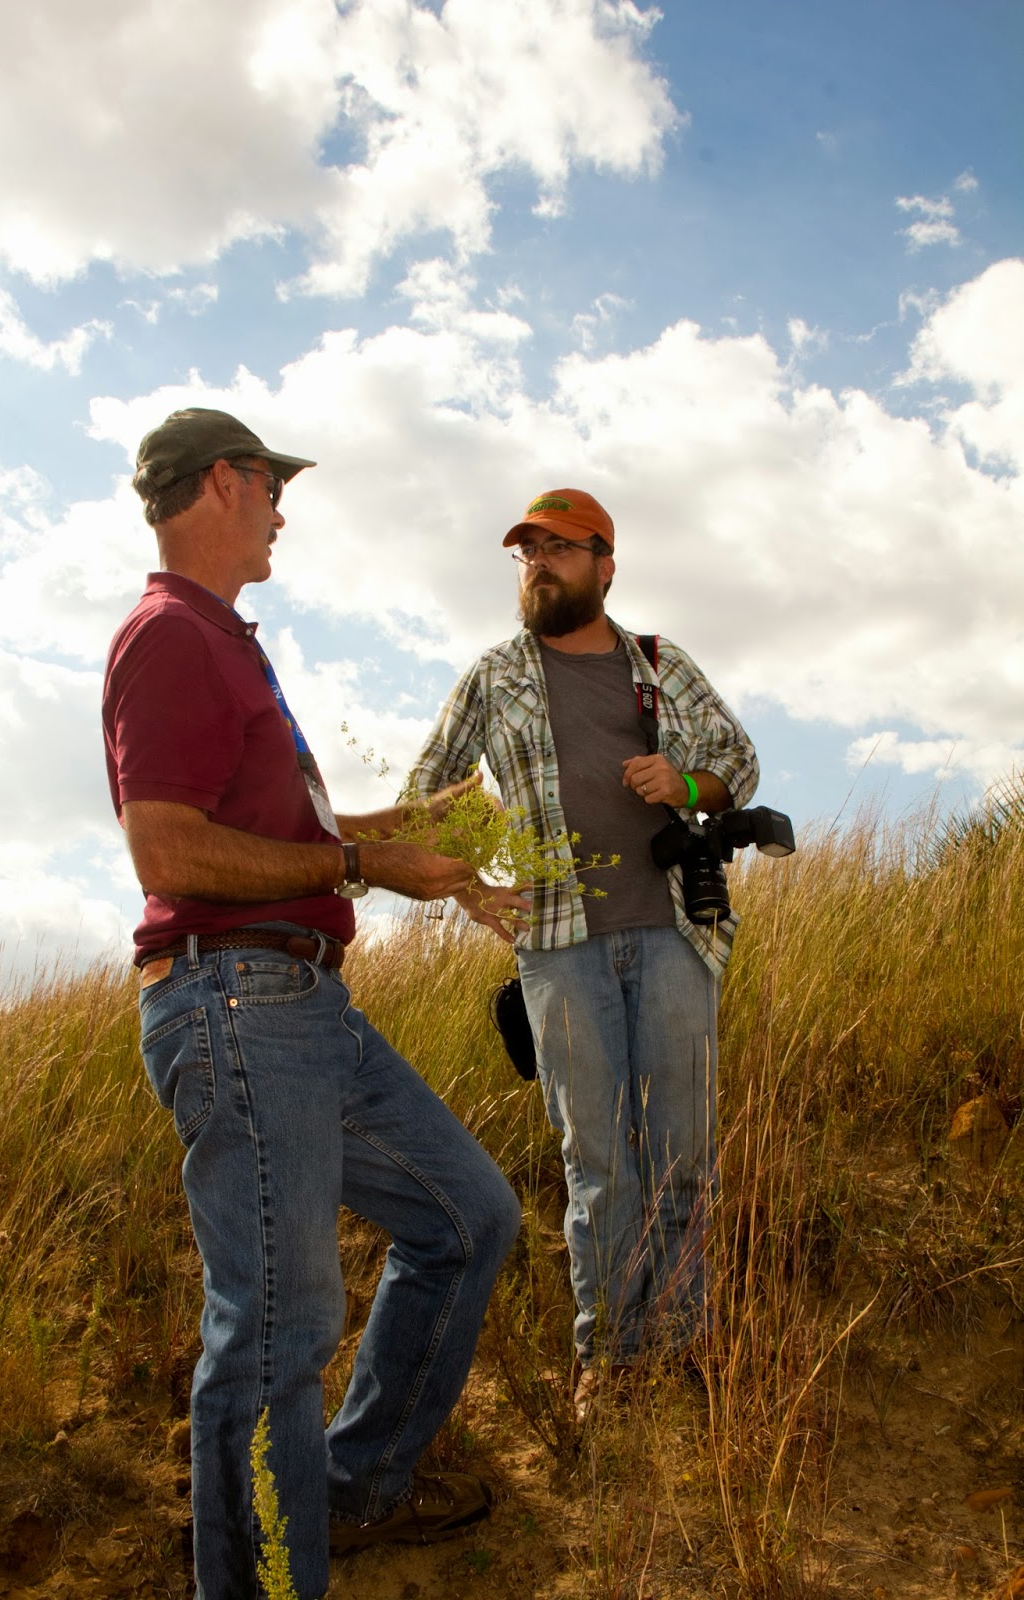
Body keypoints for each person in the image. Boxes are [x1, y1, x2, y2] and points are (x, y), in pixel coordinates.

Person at [101, 407, 522, 1600]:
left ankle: (346, 1496)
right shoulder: (169, 635)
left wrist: (421, 834)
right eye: (275, 485)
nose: (285, 509)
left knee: (467, 1217)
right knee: (279, 1327)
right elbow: (167, 849)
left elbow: (306, 836)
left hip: (302, 1006)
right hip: (236, 1003)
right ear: (226, 483)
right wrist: (359, 868)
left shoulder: (229, 643)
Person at [408, 488, 758, 1416]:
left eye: (559, 548)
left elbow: (739, 758)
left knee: (682, 1154)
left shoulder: (656, 663)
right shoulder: (494, 677)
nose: (538, 564)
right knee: (599, 1162)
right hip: (558, 949)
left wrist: (687, 779)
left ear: (607, 564)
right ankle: (610, 1360)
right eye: (526, 551)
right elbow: (427, 794)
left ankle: (687, 1348)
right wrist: (474, 889)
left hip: (676, 932)